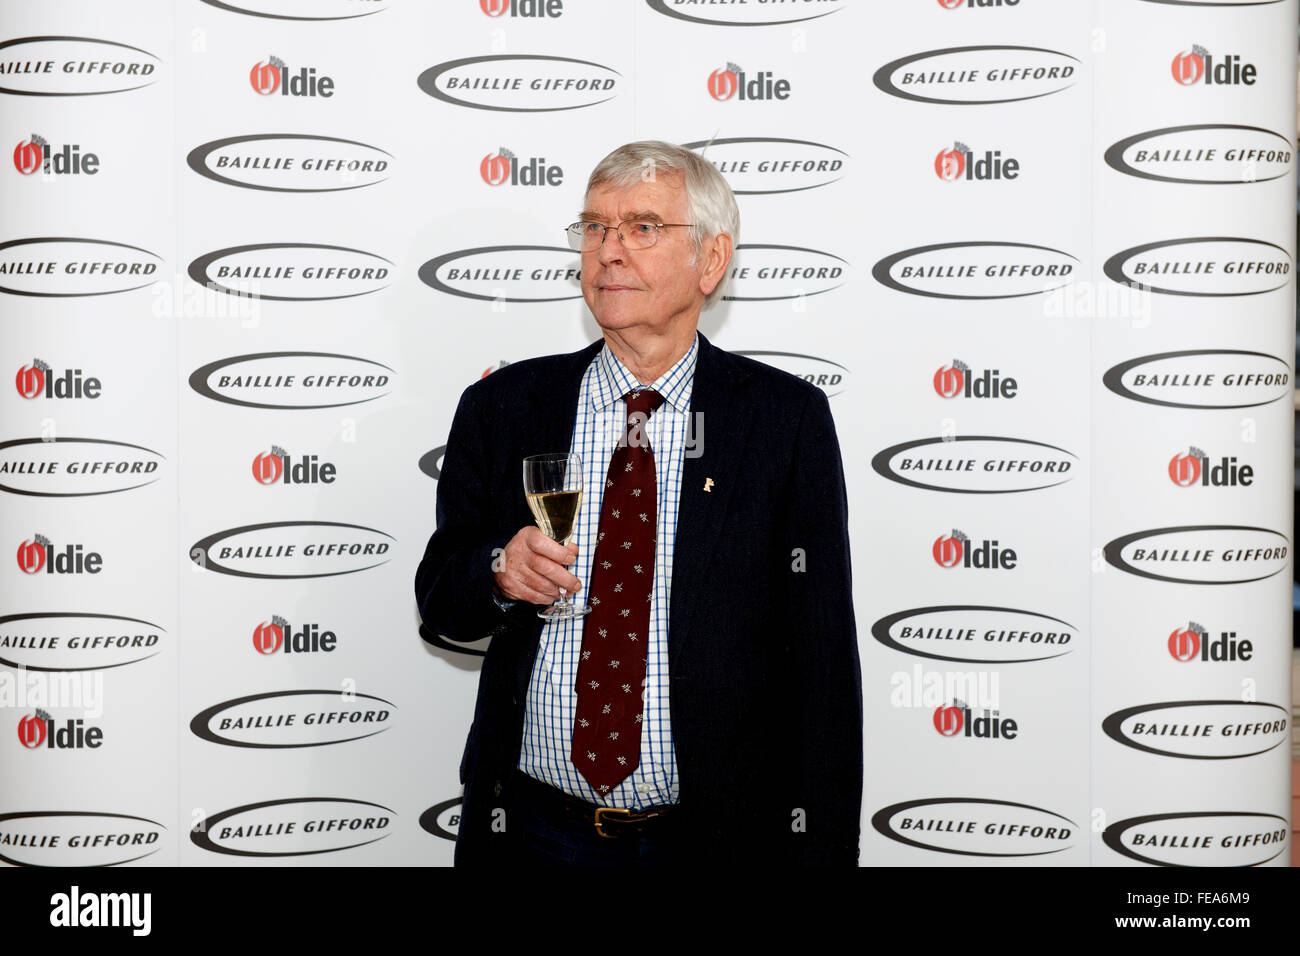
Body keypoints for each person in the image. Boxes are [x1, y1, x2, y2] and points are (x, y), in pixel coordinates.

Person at [415, 140, 862, 867]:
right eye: (595, 228)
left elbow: (823, 668)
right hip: (530, 833)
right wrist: (498, 573)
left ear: (711, 262)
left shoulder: (783, 422)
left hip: (715, 842)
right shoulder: (504, 407)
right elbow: (439, 601)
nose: (610, 251)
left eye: (643, 228)